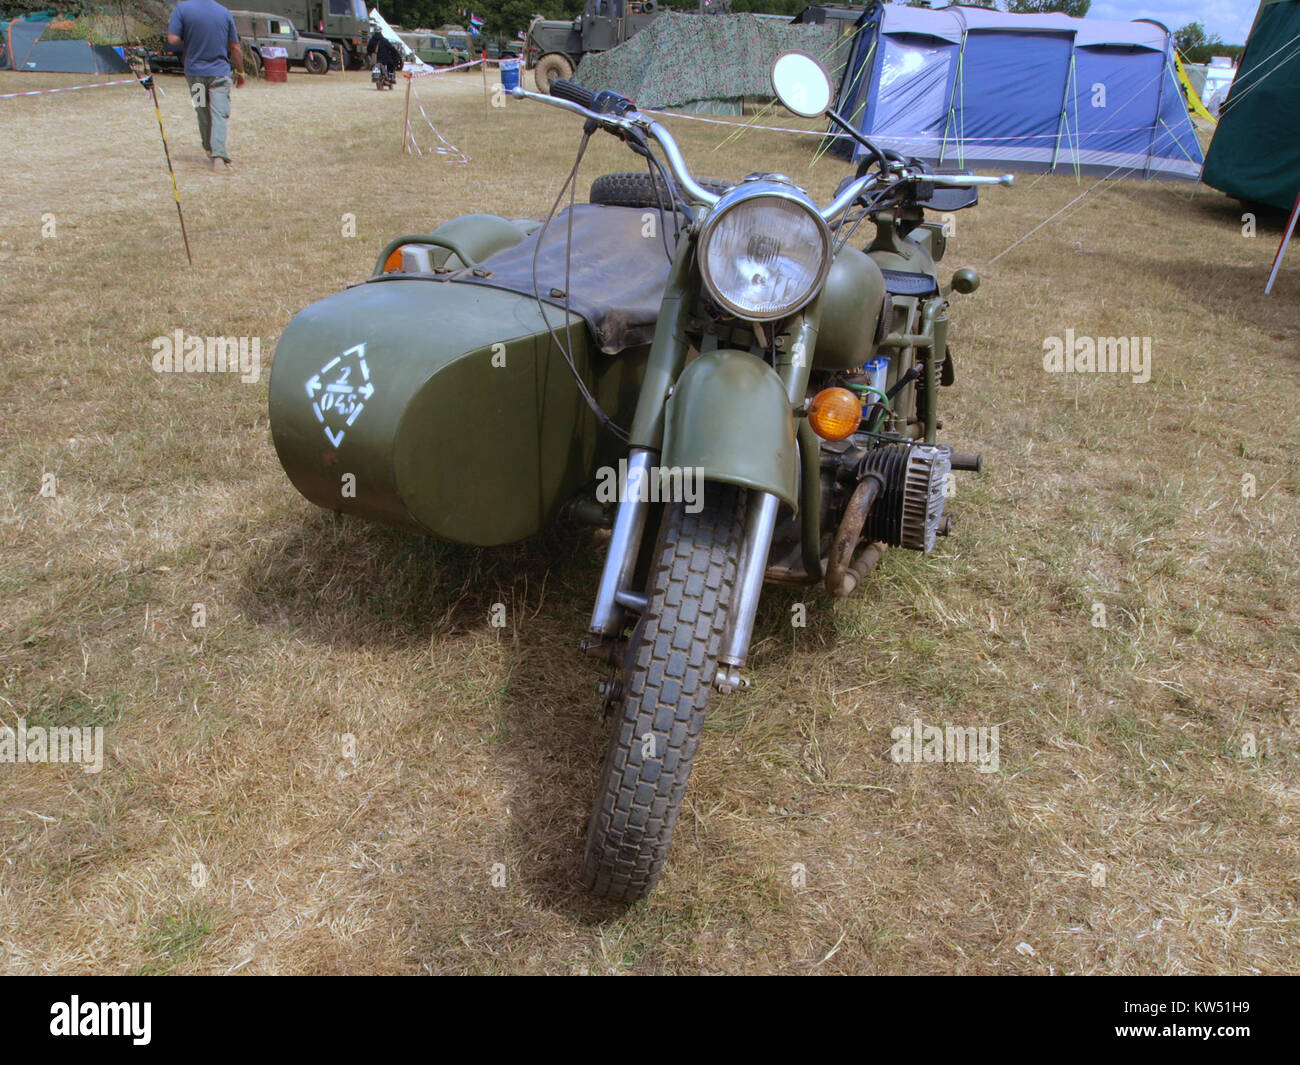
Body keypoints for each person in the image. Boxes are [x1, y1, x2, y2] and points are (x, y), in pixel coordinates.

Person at [167, 0, 246, 173]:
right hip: (219, 74)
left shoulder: (182, 9)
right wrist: (240, 72)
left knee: (201, 111)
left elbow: (172, 39)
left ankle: (209, 149)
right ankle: (218, 157)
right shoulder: (224, 12)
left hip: (194, 74)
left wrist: (187, 35)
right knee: (219, 113)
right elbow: (234, 47)